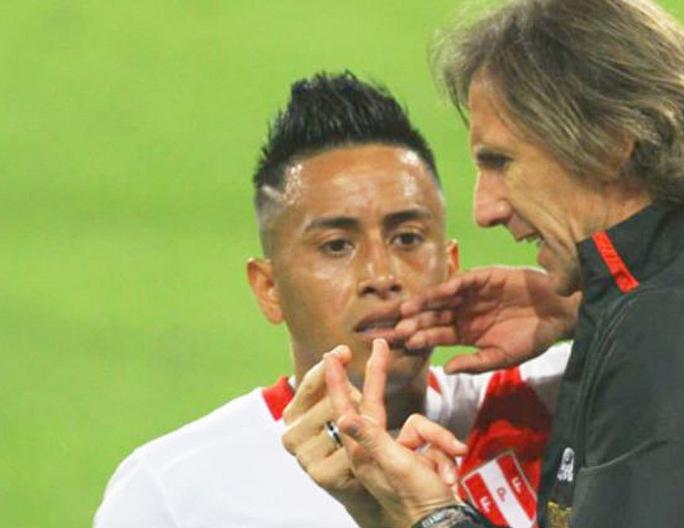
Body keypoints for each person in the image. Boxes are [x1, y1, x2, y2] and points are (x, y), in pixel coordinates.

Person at [307, 1, 684, 527]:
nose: (485, 209)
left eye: (501, 163)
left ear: (608, 144)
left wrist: (428, 514)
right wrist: (590, 310)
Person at [93, 72, 570, 528]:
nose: (381, 276)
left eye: (406, 238)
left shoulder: (558, 398)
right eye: (337, 246)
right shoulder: (176, 494)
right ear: (269, 290)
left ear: (450, 266)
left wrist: (573, 310)